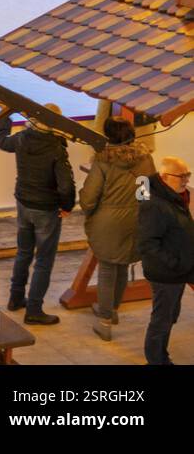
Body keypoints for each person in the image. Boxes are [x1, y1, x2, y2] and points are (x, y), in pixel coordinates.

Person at [0, 110, 76, 324]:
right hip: (46, 209)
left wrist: (5, 118)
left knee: (23, 252)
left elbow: (1, 142)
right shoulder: (56, 148)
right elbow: (66, 185)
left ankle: (15, 297)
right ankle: (34, 310)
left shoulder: (21, 139)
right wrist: (67, 206)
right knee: (43, 260)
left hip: (23, 202)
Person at [81, 117, 155, 341]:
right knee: (122, 264)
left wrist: (85, 205)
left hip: (107, 220)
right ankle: (112, 309)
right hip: (135, 219)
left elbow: (90, 198)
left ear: (108, 135)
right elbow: (146, 193)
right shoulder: (145, 158)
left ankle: (105, 320)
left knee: (107, 268)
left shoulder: (103, 160)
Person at [137, 156, 194, 364]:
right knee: (162, 319)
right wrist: (175, 263)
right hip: (166, 273)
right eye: (182, 176)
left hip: (179, 269)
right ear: (164, 177)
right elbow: (147, 244)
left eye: (188, 175)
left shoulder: (172, 196)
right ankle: (156, 359)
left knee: (170, 316)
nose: (186, 180)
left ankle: (161, 355)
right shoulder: (154, 204)